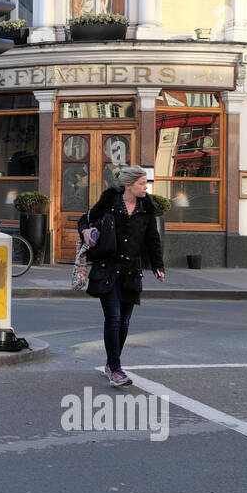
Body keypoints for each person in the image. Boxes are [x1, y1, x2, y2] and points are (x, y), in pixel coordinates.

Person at [77, 165, 165, 388]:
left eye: (146, 183)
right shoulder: (109, 201)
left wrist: (157, 266)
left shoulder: (146, 207)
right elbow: (84, 219)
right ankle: (115, 369)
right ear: (129, 185)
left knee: (124, 322)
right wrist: (85, 231)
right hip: (107, 268)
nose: (146, 187)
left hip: (131, 271)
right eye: (142, 184)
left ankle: (110, 364)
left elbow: (152, 239)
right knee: (114, 319)